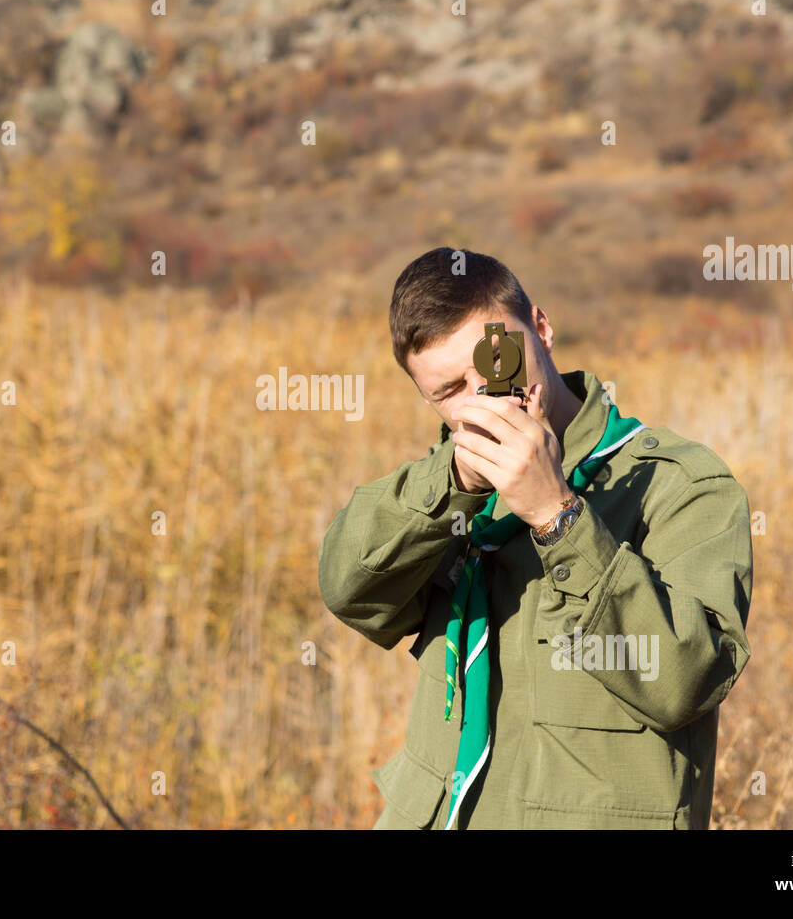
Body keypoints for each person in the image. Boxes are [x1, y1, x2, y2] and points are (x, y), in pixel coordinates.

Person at [317, 247, 753, 829]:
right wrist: (453, 482)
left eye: (498, 363)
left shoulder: (677, 484)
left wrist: (558, 516)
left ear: (541, 330)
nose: (485, 399)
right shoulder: (445, 496)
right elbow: (350, 592)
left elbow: (683, 683)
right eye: (450, 391)